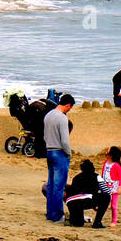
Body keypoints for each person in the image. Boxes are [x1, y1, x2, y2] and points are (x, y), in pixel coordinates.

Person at [42, 93, 75, 223]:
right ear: (68, 105)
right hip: (59, 152)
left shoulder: (48, 115)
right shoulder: (62, 118)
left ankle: (50, 213)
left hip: (49, 150)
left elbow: (45, 136)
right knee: (59, 186)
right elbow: (65, 140)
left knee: (50, 184)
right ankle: (57, 215)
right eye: (70, 108)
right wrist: (69, 153)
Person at [65, 159, 110, 228]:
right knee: (106, 196)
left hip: (71, 202)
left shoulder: (76, 177)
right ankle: (97, 222)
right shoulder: (96, 176)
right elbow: (106, 191)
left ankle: (74, 220)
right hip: (85, 200)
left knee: (78, 224)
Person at [101, 146, 121, 226]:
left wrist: (120, 187)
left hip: (114, 187)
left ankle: (114, 221)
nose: (105, 153)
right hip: (105, 187)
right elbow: (103, 174)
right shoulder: (105, 163)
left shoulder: (116, 165)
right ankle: (99, 219)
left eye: (107, 151)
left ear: (111, 155)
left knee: (114, 205)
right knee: (103, 204)